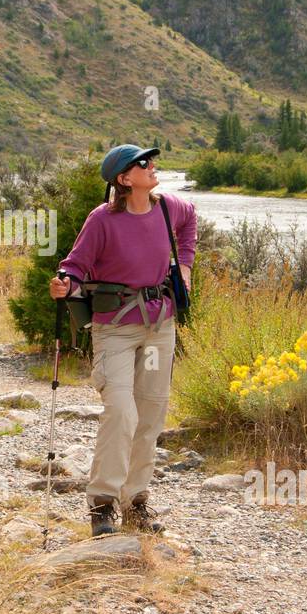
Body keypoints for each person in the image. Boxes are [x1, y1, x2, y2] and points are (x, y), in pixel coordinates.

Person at [50, 144, 197, 537]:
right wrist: (65, 283)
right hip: (114, 329)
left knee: (149, 415)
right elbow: (76, 264)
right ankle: (101, 505)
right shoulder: (103, 219)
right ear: (123, 179)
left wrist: (184, 267)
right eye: (142, 164)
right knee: (121, 410)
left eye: (151, 161)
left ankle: (136, 503)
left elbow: (190, 223)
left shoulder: (169, 208)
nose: (152, 167)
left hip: (158, 329)